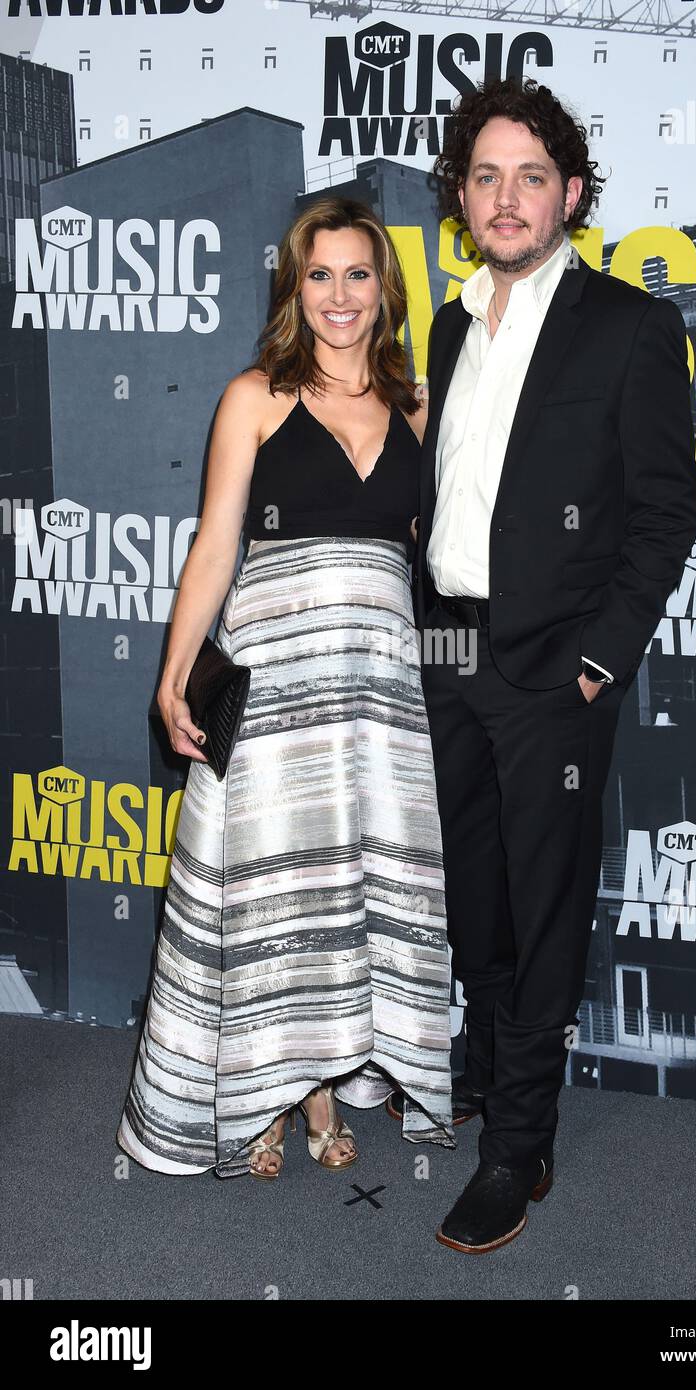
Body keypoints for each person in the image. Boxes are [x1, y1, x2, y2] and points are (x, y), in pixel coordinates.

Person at [406, 76, 696, 1250]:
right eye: (484, 175)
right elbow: (448, 505)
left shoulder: (627, 325)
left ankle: (515, 1145)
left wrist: (597, 664)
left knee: (543, 905)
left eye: (531, 175)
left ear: (570, 193)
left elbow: (663, 512)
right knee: (471, 894)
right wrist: (434, 651)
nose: (507, 196)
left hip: (551, 673)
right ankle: (489, 1074)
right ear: (460, 197)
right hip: (450, 647)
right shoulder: (443, 318)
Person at [116, 195, 455, 1181]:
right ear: (292, 287)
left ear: (383, 287)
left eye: (357, 274)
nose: (338, 295)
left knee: (346, 893)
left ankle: (326, 1088)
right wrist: (174, 673)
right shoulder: (255, 395)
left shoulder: (419, 407)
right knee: (268, 898)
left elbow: (440, 553)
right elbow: (215, 544)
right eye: (319, 275)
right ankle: (266, 1094)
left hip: (374, 703)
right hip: (272, 694)